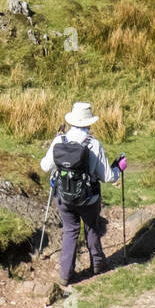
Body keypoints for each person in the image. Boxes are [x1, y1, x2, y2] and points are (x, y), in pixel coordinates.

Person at [40, 101, 125, 287]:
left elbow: (44, 166)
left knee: (70, 230)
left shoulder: (59, 141)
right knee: (91, 227)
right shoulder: (93, 144)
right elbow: (108, 177)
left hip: (62, 197)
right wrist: (119, 167)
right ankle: (97, 264)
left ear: (71, 121)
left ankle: (65, 274)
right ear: (89, 123)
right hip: (88, 198)